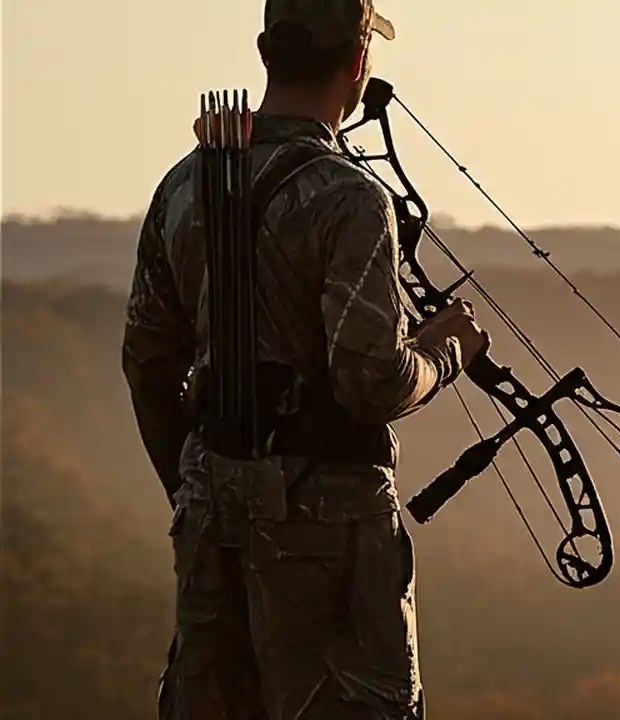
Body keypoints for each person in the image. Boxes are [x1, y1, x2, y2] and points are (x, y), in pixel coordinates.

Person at [122, 1, 490, 717]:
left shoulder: (184, 184)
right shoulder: (351, 197)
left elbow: (147, 366)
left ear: (266, 52)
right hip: (333, 532)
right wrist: (446, 351)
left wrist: (199, 488)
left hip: (208, 518)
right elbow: (370, 382)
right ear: (358, 63)